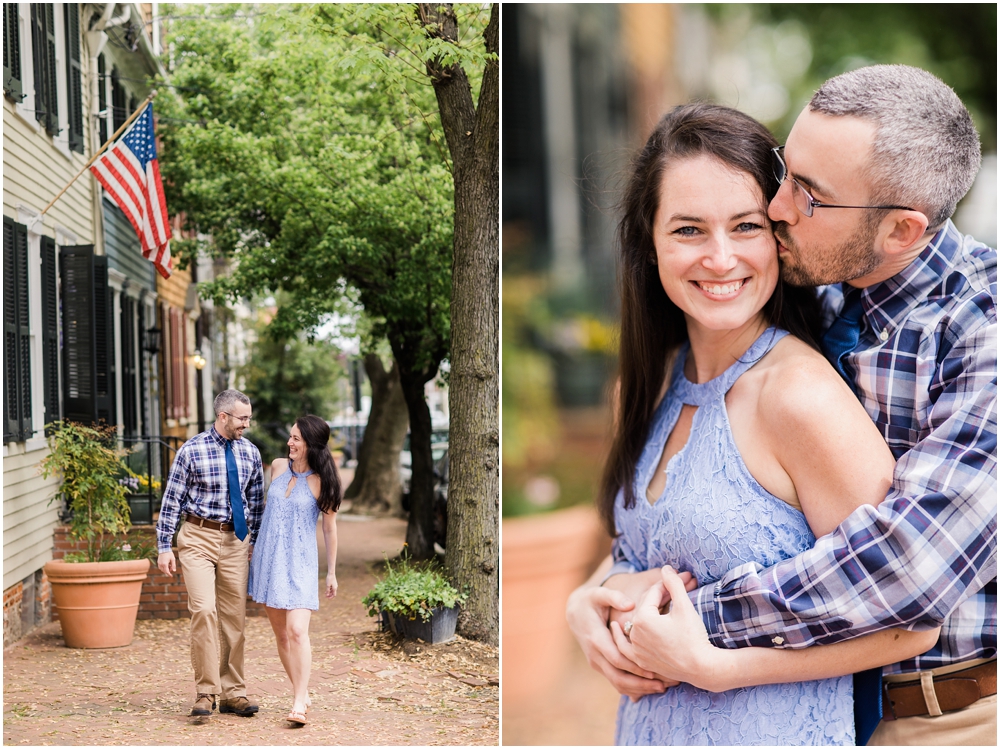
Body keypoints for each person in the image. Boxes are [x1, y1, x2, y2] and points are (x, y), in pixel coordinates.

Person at [568, 65, 996, 746]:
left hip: (945, 713)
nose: (778, 209)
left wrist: (682, 625)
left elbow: (908, 574)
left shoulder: (981, 332)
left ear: (900, 231)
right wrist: (592, 598)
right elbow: (669, 531)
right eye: (785, 174)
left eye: (807, 196)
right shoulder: (816, 291)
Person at [156, 389, 264, 718]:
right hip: (198, 537)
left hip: (235, 541)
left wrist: (255, 544)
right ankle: (206, 691)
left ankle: (234, 692)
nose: (247, 423)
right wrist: (164, 545)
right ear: (222, 417)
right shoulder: (191, 450)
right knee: (204, 611)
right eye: (242, 418)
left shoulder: (251, 453)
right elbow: (172, 499)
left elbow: (257, 503)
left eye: (248, 417)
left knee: (235, 619)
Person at [248, 414, 341, 726]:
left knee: (298, 630)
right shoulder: (276, 467)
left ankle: (299, 702)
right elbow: (262, 512)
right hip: (269, 559)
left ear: (311, 444)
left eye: (296, 439)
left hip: (300, 563)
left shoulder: (323, 481)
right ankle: (301, 689)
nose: (289, 443)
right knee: (281, 635)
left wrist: (331, 572)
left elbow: (330, 530)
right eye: (290, 437)